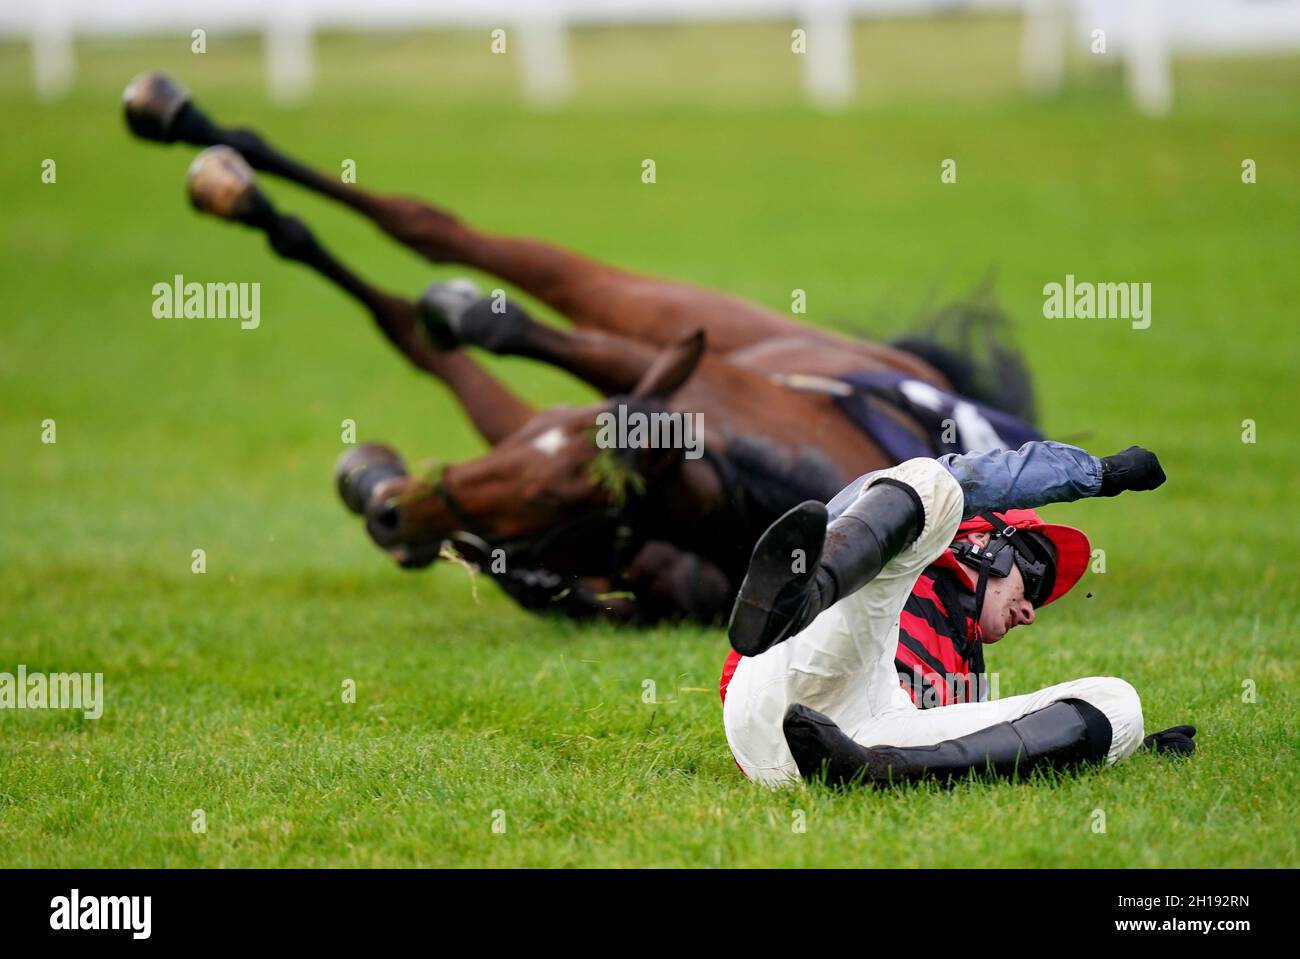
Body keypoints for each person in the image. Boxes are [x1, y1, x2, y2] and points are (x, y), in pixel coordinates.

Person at [720, 442, 1196, 787]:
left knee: (1119, 702)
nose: (1030, 610)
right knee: (931, 483)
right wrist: (1096, 473)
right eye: (1032, 576)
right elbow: (963, 476)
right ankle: (801, 597)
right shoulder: (903, 549)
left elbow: (983, 742)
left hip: (847, 751)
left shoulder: (968, 668)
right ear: (982, 543)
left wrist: (1112, 749)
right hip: (778, 693)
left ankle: (875, 774)